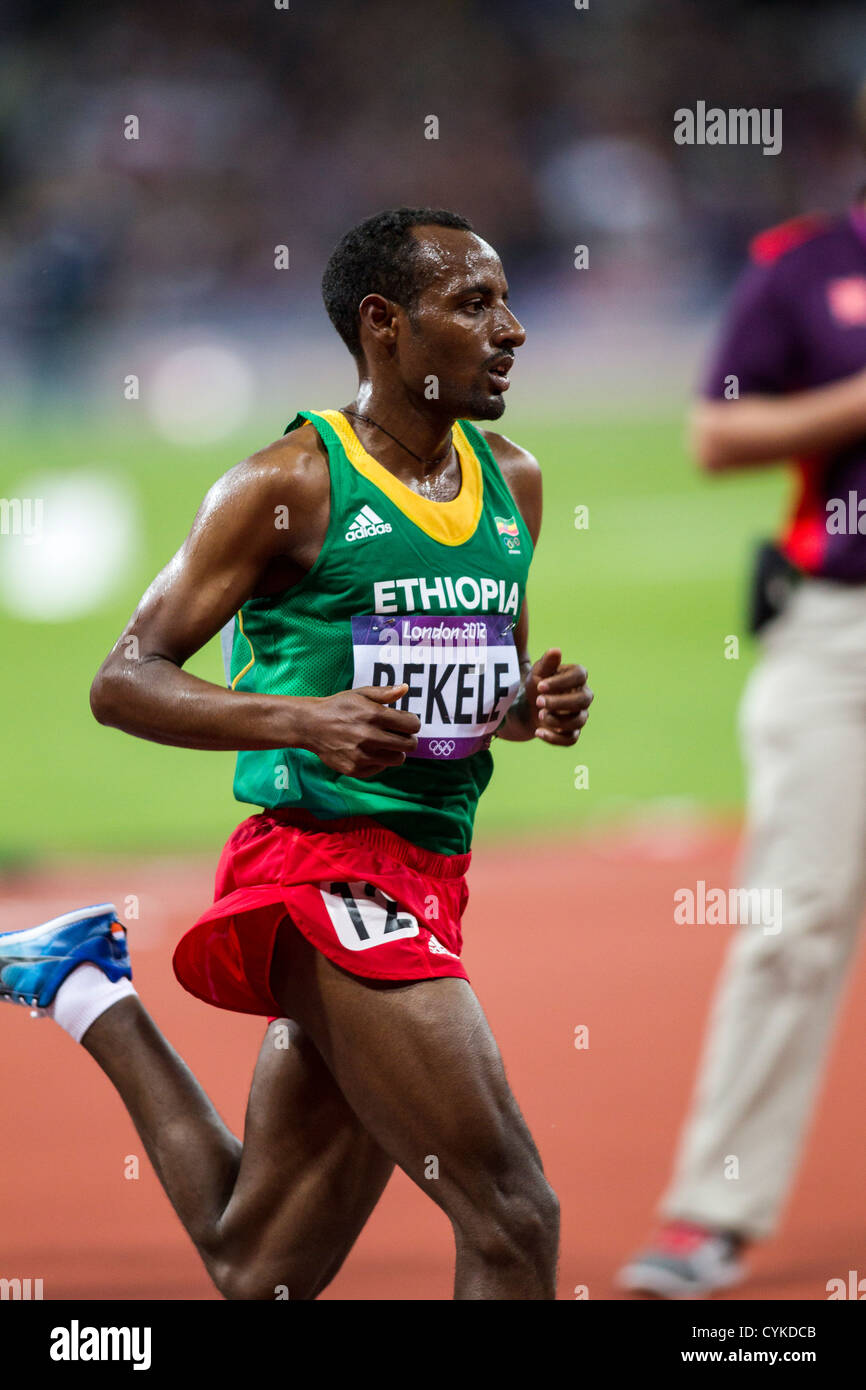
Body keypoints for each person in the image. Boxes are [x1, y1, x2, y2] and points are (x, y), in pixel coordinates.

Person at [0, 207, 593, 1301]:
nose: (510, 328)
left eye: (505, 301)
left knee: (260, 1265)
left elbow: (475, 683)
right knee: (512, 1213)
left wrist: (526, 705)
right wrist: (302, 720)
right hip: (324, 872)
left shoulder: (513, 479)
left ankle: (84, 986)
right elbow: (122, 677)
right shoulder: (284, 485)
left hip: (430, 872)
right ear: (383, 324)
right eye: (473, 303)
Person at [619, 188, 866, 1297]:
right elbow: (713, 432)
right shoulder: (802, 267)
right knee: (789, 924)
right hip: (838, 634)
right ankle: (710, 1213)